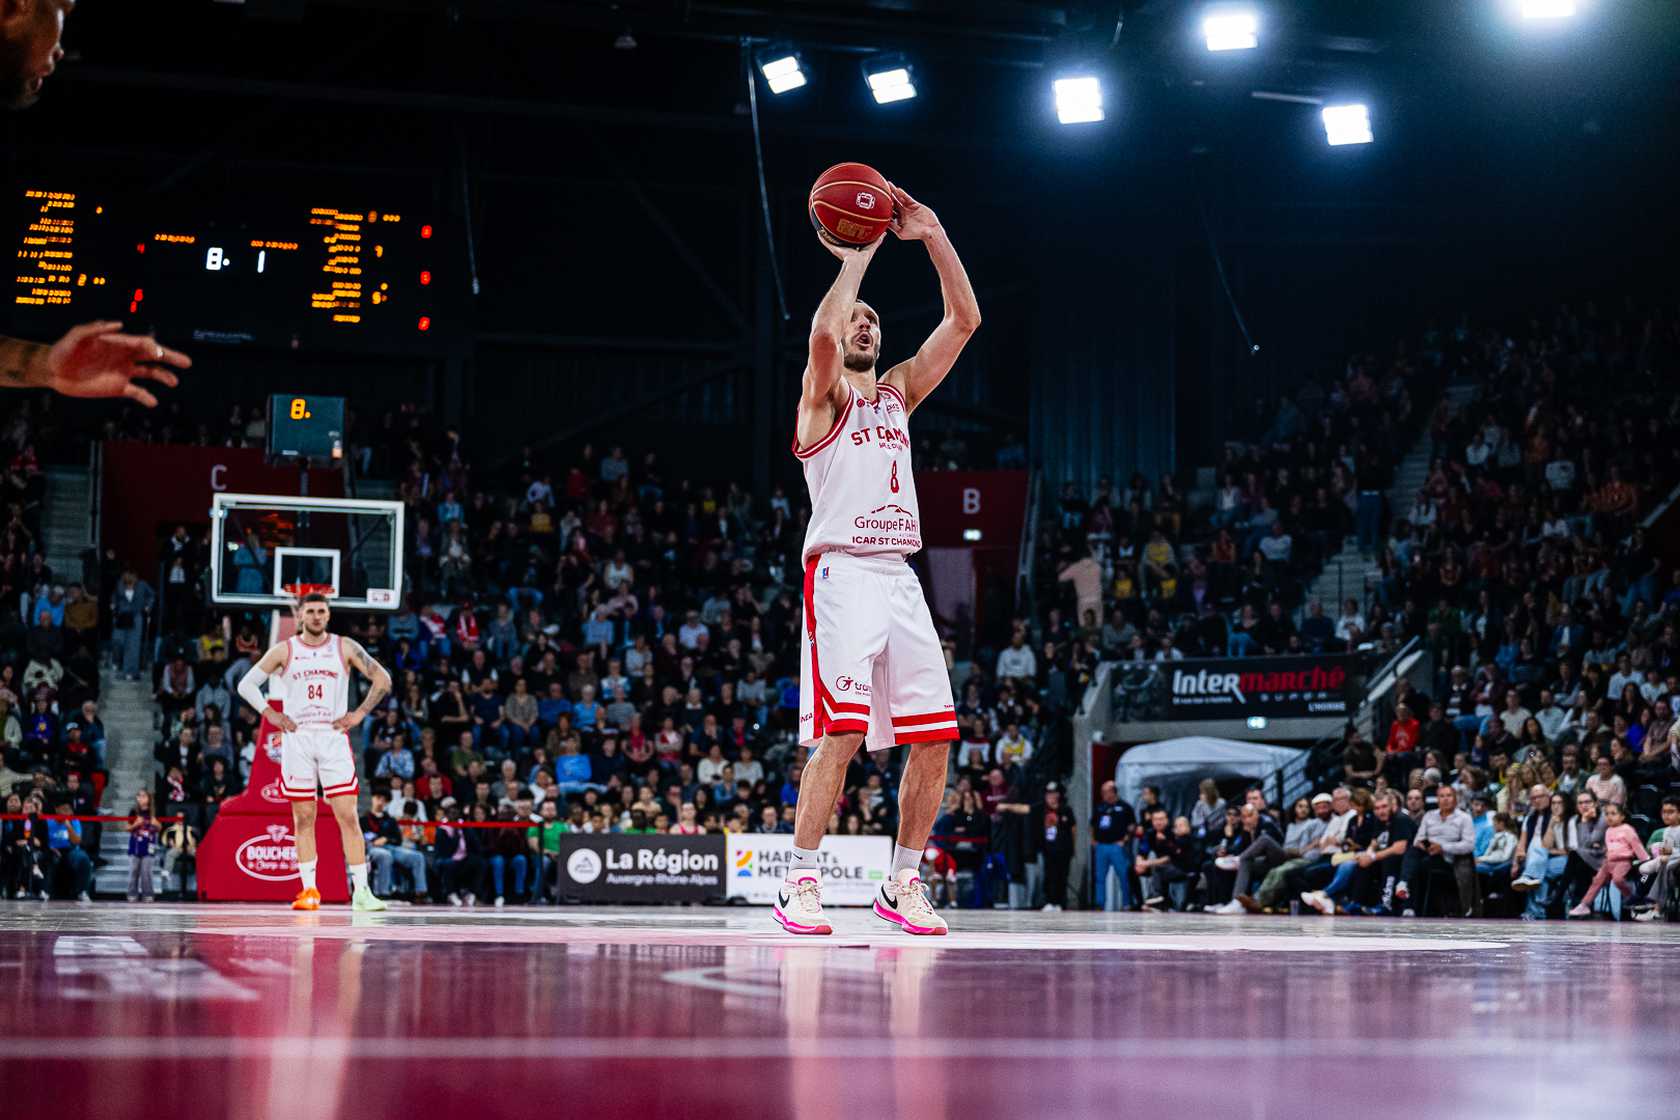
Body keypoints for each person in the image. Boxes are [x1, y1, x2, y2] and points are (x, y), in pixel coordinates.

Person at [780, 180, 980, 938]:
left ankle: (901, 882)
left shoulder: (896, 394)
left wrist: (930, 233)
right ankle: (801, 883)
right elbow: (823, 339)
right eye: (855, 318)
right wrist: (855, 261)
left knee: (935, 736)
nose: (862, 324)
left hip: (899, 576)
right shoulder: (822, 404)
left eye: (871, 320)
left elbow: (965, 320)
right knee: (842, 734)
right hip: (841, 576)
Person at [236, 592, 392, 911]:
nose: (317, 616)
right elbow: (246, 685)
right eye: (311, 611)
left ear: (329, 615)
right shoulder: (285, 650)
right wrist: (271, 714)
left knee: (347, 815)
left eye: (322, 611)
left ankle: (361, 891)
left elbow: (383, 679)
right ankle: (309, 890)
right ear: (301, 615)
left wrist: (360, 713)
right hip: (299, 737)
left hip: (333, 736)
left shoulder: (344, 646)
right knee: (303, 817)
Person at [1397, 784, 1480, 917]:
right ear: (1437, 799)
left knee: (1419, 864)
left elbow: (1469, 845)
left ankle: (1409, 902)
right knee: (1412, 850)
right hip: (1427, 852)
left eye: (1449, 796)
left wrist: (1442, 847)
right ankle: (1403, 884)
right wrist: (1424, 845)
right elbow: (1419, 838)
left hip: (1451, 859)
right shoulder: (1430, 815)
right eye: (1441, 796)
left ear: (1455, 799)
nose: (1445, 799)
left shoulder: (1464, 818)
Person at [1569, 802, 1648, 919]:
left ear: (1622, 816)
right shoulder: (1608, 830)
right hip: (1609, 861)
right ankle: (1584, 904)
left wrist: (1645, 859)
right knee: (1597, 881)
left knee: (1618, 879)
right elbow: (1610, 847)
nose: (1609, 817)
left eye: (1613, 814)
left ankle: (1632, 897)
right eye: (1607, 814)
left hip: (1623, 860)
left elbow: (1636, 844)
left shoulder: (1627, 829)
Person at [1091, 780, 1137, 911]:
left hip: (1117, 846)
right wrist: (1093, 840)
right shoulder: (1100, 807)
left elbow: (1132, 826)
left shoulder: (1125, 807)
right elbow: (1092, 824)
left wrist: (1125, 840)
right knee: (1100, 877)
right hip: (1101, 846)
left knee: (1123, 875)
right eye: (1102, 792)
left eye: (1105, 792)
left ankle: (1127, 903)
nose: (1103, 794)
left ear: (1113, 792)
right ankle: (1100, 903)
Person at [1037, 782, 1075, 911]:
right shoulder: (1042, 810)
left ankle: (1060, 902)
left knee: (1062, 876)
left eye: (1053, 794)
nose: (1051, 796)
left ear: (1058, 795)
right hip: (1048, 849)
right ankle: (1049, 901)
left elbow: (1073, 829)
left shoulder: (1066, 810)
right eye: (1048, 794)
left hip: (1063, 849)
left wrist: (1072, 847)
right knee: (1049, 875)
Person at [125, 790, 160, 902]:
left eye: (144, 796)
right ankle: (132, 894)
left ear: (148, 798)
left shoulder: (153, 812)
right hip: (135, 846)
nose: (141, 798)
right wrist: (136, 824)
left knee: (146, 872)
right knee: (134, 871)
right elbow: (127, 828)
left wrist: (157, 824)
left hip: (149, 846)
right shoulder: (133, 811)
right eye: (139, 796)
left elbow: (159, 827)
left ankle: (148, 894)